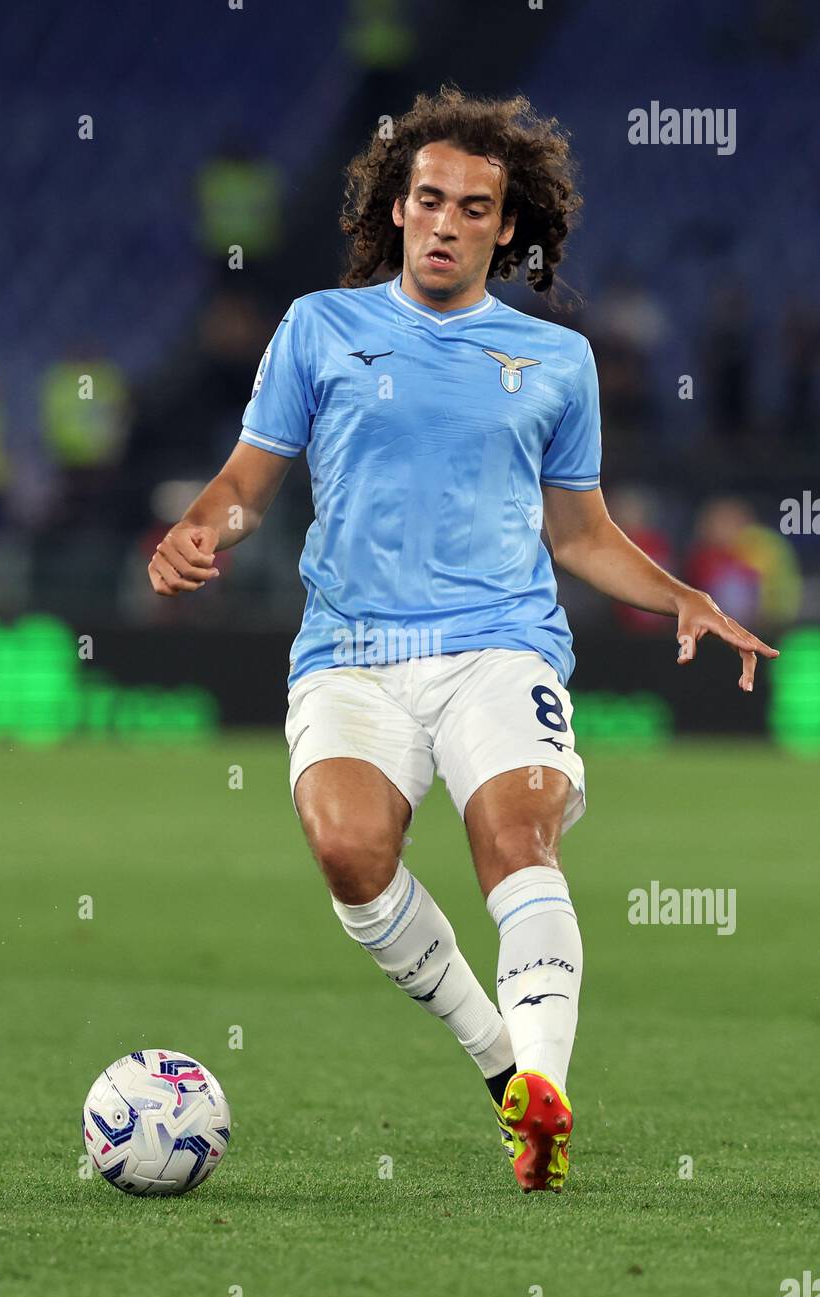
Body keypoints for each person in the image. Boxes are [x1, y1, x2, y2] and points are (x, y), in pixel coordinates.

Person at [147, 87, 778, 1193]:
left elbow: (578, 532)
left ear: (506, 227)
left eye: (471, 207)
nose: (444, 221)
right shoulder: (319, 329)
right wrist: (203, 528)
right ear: (394, 210)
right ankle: (501, 1068)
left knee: (516, 836)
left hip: (499, 642)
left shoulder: (552, 363)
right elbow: (250, 483)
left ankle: (544, 1089)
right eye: (426, 199)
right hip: (350, 651)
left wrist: (676, 592)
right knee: (349, 853)